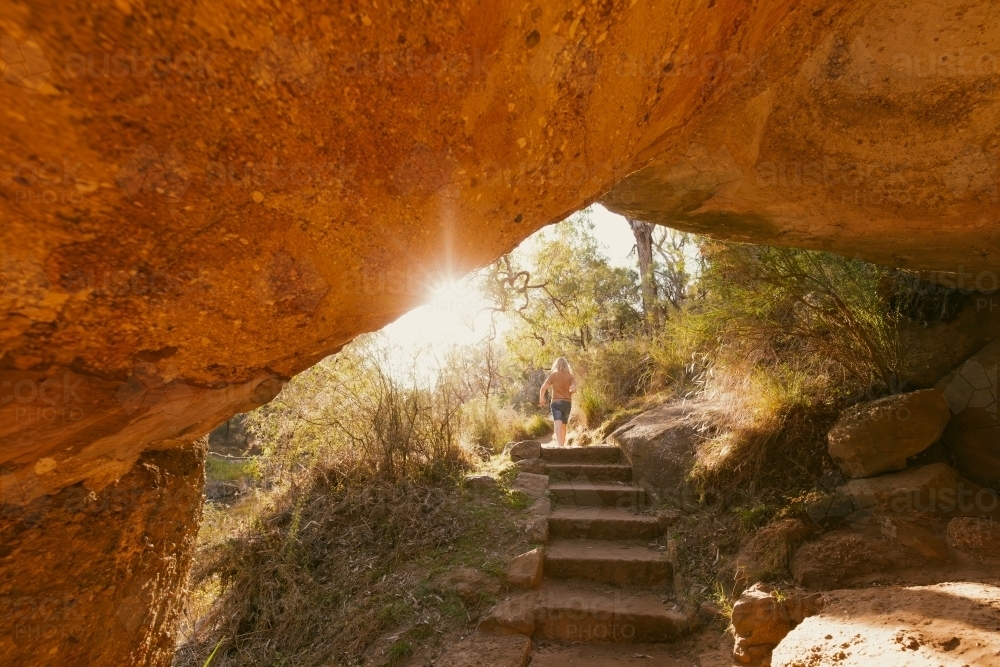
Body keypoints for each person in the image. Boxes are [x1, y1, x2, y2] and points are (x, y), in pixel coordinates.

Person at [539, 357, 576, 447]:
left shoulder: (553, 375)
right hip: (567, 403)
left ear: (556, 365)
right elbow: (574, 390)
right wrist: (570, 390)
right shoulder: (570, 376)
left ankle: (560, 446)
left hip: (556, 403)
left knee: (557, 424)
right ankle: (562, 444)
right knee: (564, 425)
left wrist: (541, 398)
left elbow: (543, 388)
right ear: (566, 365)